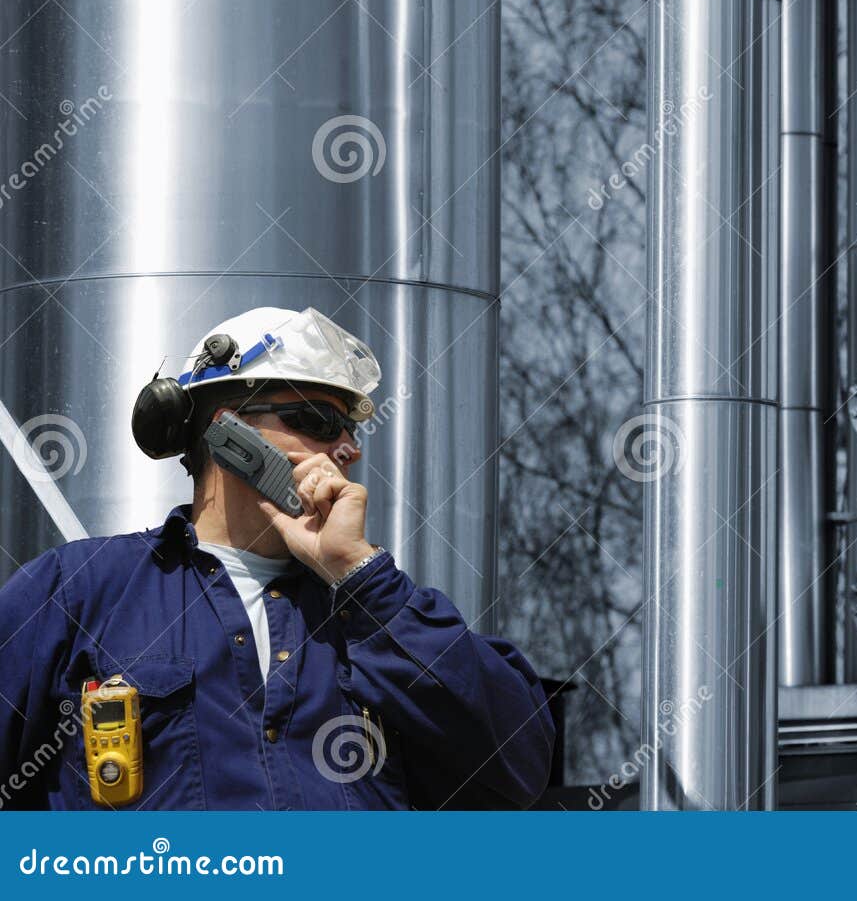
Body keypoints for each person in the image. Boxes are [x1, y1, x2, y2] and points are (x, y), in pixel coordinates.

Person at [0, 307, 554, 809]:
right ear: (228, 432)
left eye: (350, 428)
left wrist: (361, 577)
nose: (348, 448)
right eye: (317, 421)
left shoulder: (377, 618)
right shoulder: (76, 592)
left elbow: (520, 767)